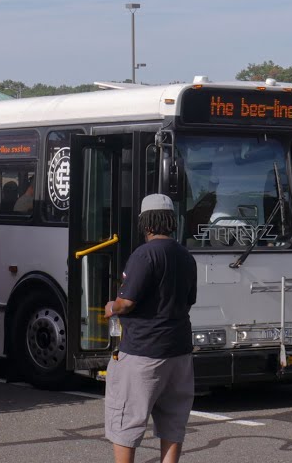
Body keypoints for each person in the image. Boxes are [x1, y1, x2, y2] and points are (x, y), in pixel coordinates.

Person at [103, 193, 198, 463]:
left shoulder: (144, 255)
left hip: (143, 351)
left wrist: (111, 306)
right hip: (179, 352)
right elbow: (189, 300)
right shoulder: (186, 256)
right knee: (173, 421)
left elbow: (126, 302)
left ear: (145, 223)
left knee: (126, 420)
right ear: (171, 221)